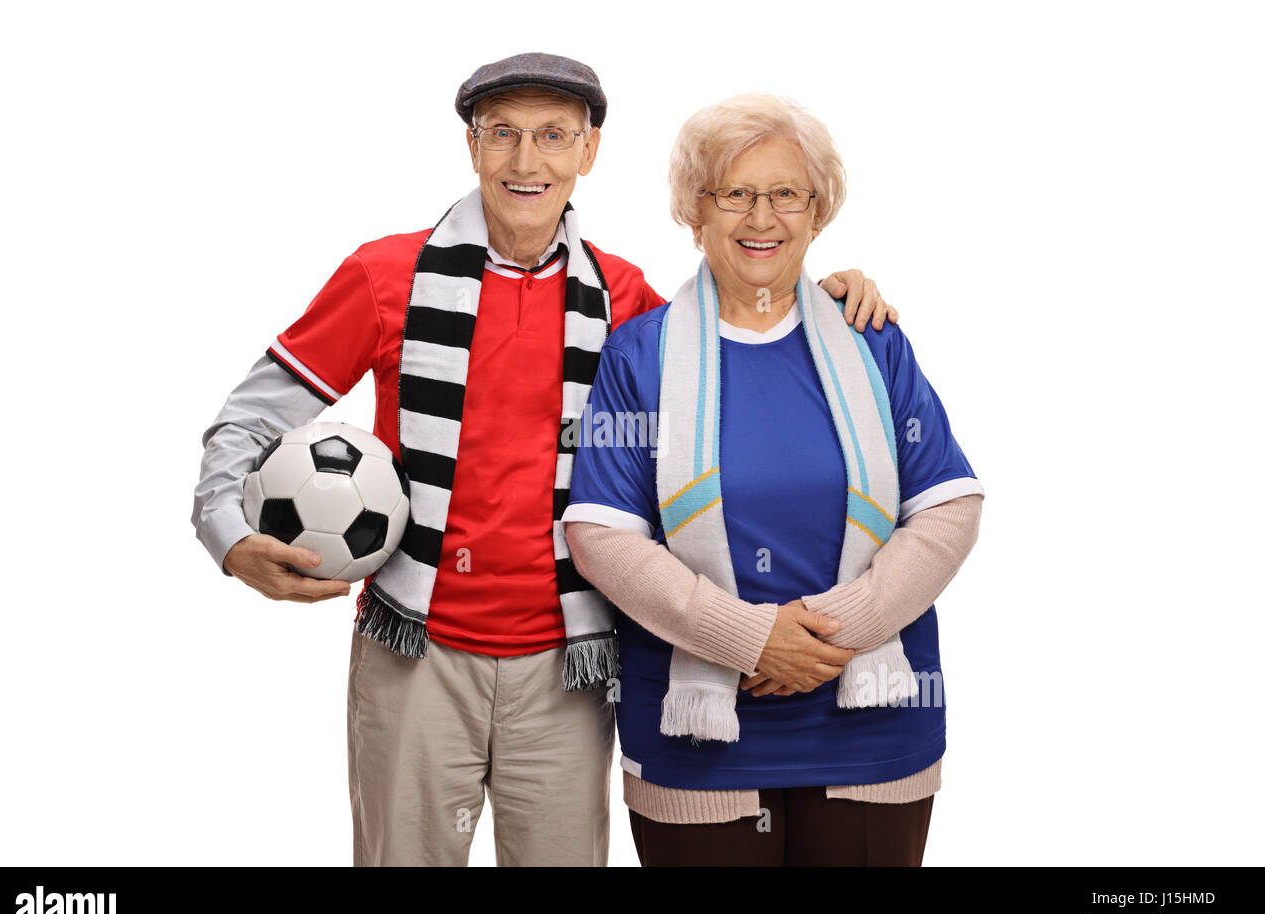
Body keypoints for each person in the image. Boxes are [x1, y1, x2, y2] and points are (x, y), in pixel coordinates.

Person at [190, 55, 898, 867]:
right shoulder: (386, 277)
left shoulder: (626, 298)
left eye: (554, 136)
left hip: (571, 669)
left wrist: (824, 295)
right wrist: (228, 537)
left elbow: (738, 344)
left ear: (589, 151)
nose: (528, 163)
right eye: (505, 136)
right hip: (412, 658)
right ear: (472, 146)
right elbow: (248, 419)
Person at [563, 92, 983, 866]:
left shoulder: (872, 341)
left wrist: (831, 634)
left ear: (817, 212)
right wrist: (752, 641)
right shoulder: (640, 355)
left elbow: (949, 509)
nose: (763, 217)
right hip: (696, 743)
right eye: (736, 193)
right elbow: (601, 538)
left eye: (787, 193)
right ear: (696, 210)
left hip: (873, 734)